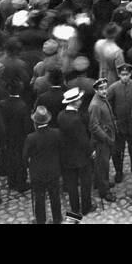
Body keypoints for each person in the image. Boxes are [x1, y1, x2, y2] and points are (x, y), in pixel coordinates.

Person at [55, 87, 93, 216]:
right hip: (81, 156)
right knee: (85, 183)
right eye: (79, 99)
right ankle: (86, 207)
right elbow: (83, 139)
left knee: (71, 185)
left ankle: (75, 207)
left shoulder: (61, 115)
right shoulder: (77, 119)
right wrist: (91, 151)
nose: (81, 101)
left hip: (66, 156)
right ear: (75, 102)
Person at [23, 106, 64, 225]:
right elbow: (61, 149)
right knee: (55, 196)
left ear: (35, 122)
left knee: (39, 197)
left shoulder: (31, 138)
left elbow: (25, 156)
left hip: (37, 172)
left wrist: (28, 167)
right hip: (54, 170)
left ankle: (41, 220)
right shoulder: (56, 133)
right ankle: (57, 218)